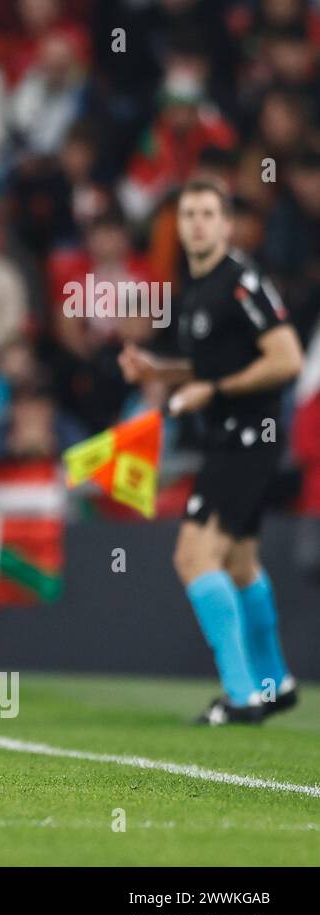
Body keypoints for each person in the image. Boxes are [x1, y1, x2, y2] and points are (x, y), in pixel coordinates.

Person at [119, 177, 304, 725]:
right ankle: (276, 684)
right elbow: (214, 364)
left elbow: (287, 359)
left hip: (249, 441)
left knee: (193, 557)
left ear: (226, 225)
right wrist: (162, 370)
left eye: (208, 214)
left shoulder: (241, 281)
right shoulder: (197, 288)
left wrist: (214, 392)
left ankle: (242, 694)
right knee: (241, 565)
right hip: (228, 440)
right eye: (189, 214)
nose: (198, 223)